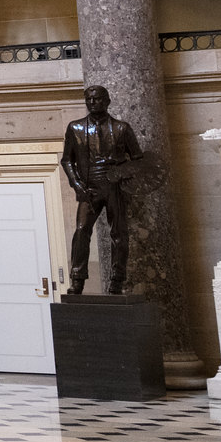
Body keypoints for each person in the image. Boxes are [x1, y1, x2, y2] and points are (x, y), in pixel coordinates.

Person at [60, 84, 151, 296]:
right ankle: (77, 280)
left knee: (119, 234)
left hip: (115, 188)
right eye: (89, 99)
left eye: (98, 99)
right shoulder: (75, 128)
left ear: (107, 101)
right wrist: (77, 184)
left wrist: (123, 174)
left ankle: (117, 281)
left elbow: (138, 160)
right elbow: (67, 161)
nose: (93, 103)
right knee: (82, 231)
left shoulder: (122, 128)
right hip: (88, 188)